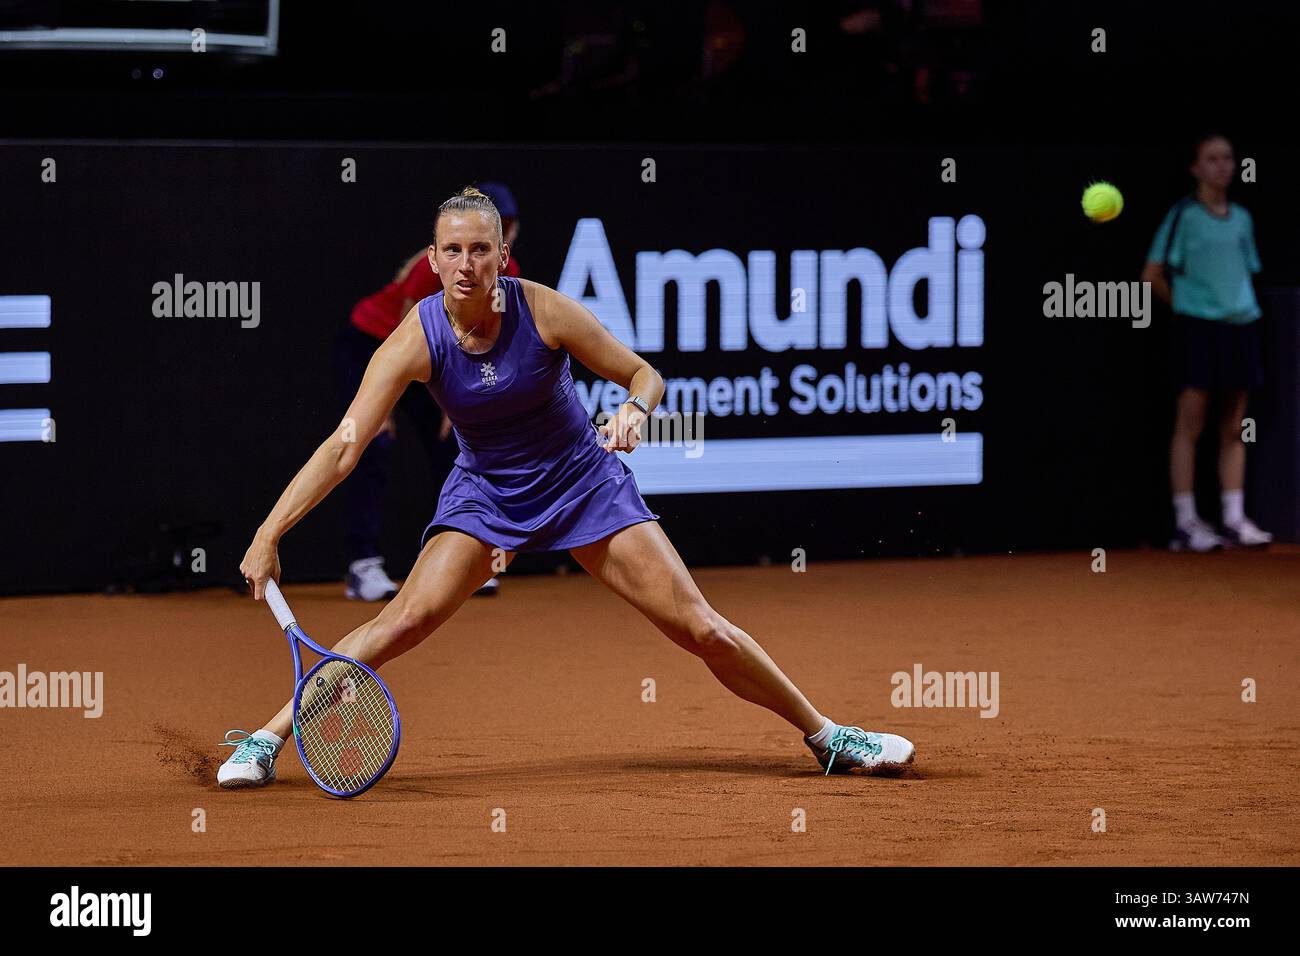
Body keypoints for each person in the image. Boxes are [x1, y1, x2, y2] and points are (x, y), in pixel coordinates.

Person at [217, 186, 915, 787]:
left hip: (584, 483)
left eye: (480, 250)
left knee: (701, 626)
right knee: (402, 621)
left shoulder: (544, 310)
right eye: (453, 251)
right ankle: (268, 737)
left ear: (502, 257)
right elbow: (345, 448)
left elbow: (643, 374)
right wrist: (268, 531)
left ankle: (828, 737)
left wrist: (635, 411)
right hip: (487, 494)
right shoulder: (414, 339)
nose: (466, 264)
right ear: (431, 261)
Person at [337, 182, 522, 599]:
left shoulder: (508, 275)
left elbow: (489, 339)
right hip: (376, 343)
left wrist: (461, 404)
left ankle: (467, 561)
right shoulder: (430, 267)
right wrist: (381, 408)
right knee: (371, 445)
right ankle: (362, 567)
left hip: (438, 358)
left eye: (508, 225)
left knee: (458, 449)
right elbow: (403, 337)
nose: (506, 231)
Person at [1142, 134, 1272, 552]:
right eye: (1212, 159)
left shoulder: (1243, 219)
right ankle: (1186, 522)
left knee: (1234, 427)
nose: (1222, 166)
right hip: (1198, 329)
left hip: (1242, 326)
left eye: (1228, 158)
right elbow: (1151, 274)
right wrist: (1187, 306)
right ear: (1195, 168)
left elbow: (1246, 272)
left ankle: (1234, 519)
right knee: (1190, 424)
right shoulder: (1183, 216)